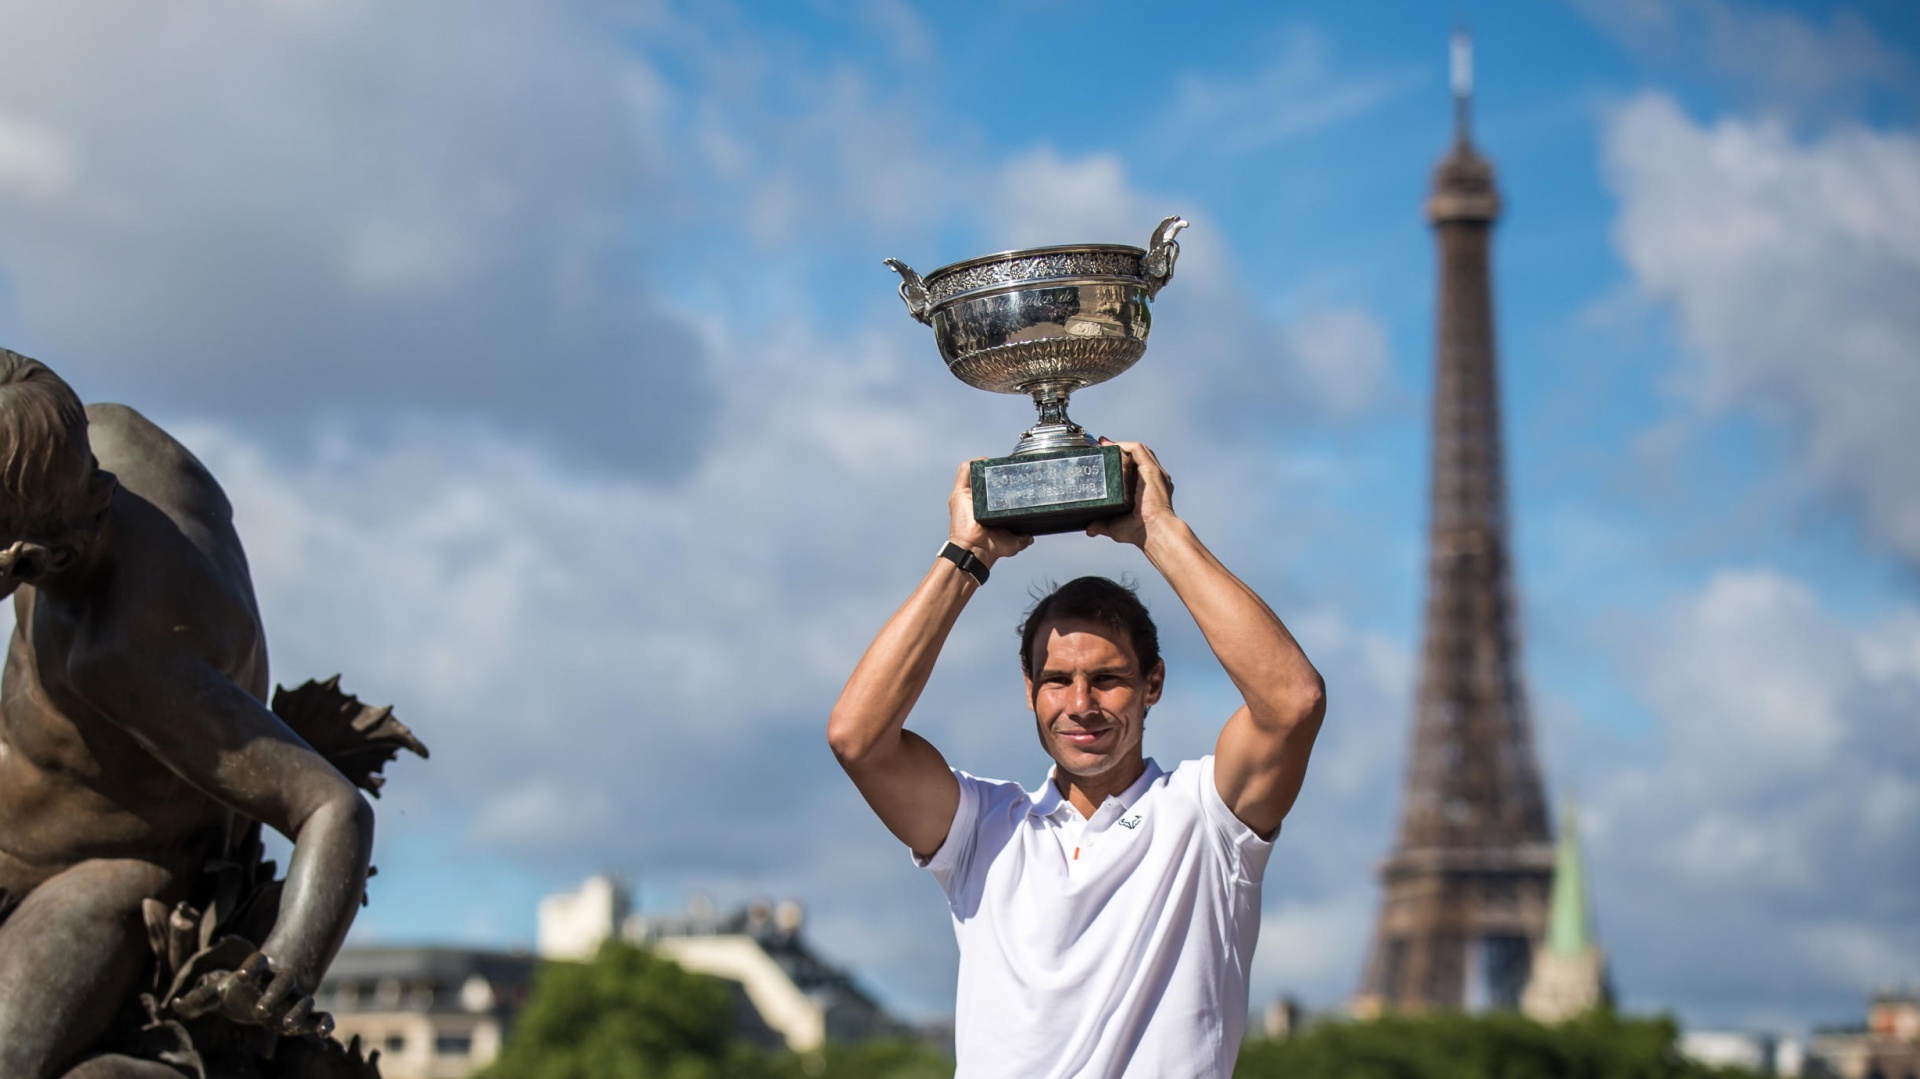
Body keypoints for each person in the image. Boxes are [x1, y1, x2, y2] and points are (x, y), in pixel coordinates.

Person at [828, 440, 1327, 1078]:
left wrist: (1160, 532)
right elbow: (857, 737)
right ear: (1029, 689)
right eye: (1057, 679)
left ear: (1154, 685)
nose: (1081, 703)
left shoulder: (1207, 817)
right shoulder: (983, 827)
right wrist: (967, 554)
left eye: (1109, 679)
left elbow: (1293, 701)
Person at [0, 350, 374, 1078]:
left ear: (32, 557)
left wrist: (275, 980)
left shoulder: (126, 657)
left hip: (103, 880)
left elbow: (333, 807)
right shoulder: (101, 435)